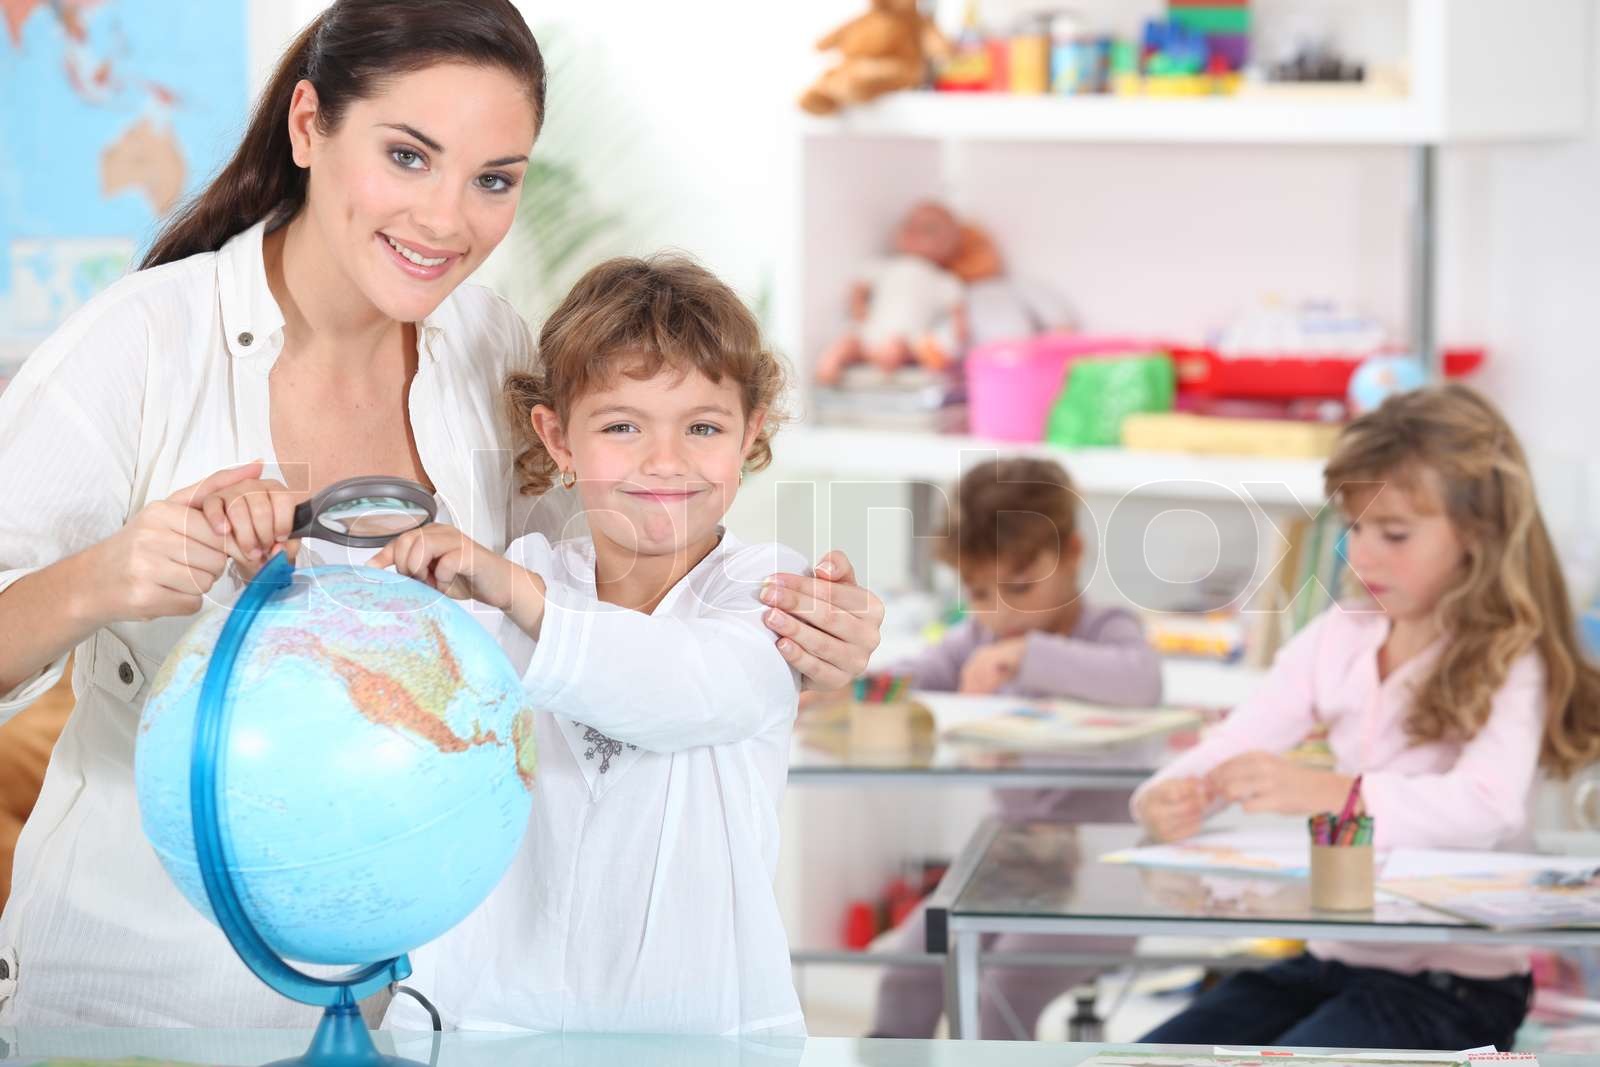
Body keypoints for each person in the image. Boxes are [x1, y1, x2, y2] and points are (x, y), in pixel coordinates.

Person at [0, 0, 882, 1028]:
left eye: (493, 180)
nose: (447, 220)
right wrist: (108, 574)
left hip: (432, 1015)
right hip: (149, 1008)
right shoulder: (140, 346)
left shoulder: (492, 349)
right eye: (408, 156)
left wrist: (798, 638)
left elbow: (595, 622)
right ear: (306, 125)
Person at [370, 254, 806, 1035]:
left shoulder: (769, 592)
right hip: (493, 1029)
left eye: (703, 427)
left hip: (703, 1036)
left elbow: (683, 687)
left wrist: (509, 590)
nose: (665, 460)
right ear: (557, 437)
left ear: (751, 434)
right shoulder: (523, 584)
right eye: (621, 426)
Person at [1134, 384, 1600, 1051]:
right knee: (1146, 1058)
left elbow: (1486, 805)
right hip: (1332, 962)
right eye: (1354, 526)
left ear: (1478, 530)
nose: (1362, 554)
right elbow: (1241, 735)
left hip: (1453, 984)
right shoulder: (1341, 633)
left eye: (1395, 533)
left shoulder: (1511, 652)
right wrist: (1164, 796)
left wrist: (1331, 792)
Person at [870, 457, 1163, 1040]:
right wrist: (845, 689)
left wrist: (1027, 654)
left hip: (1100, 869)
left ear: (1073, 554)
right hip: (1006, 861)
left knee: (997, 992)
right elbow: (919, 674)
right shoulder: (977, 637)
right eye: (979, 592)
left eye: (1020, 587)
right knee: (908, 972)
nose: (1000, 612)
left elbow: (1141, 680)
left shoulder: (1106, 631)